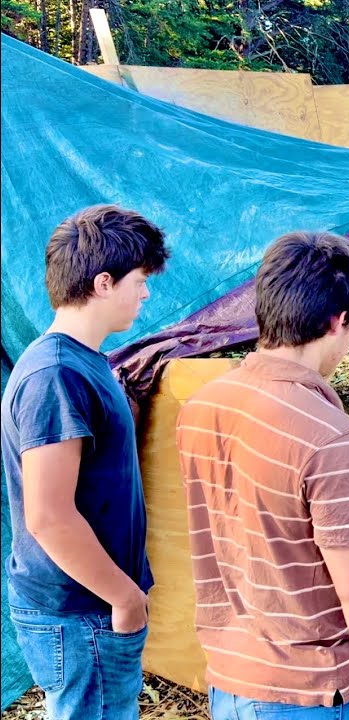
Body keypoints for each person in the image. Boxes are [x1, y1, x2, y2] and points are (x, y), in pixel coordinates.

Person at [176, 231, 349, 720]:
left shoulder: (202, 406)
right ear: (338, 320)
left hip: (230, 685)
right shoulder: (332, 438)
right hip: (310, 694)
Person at [2, 205, 170, 719]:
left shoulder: (81, 362)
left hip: (87, 606)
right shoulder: (56, 375)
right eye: (140, 281)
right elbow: (49, 517)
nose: (145, 294)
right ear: (103, 283)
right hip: (81, 612)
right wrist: (124, 598)